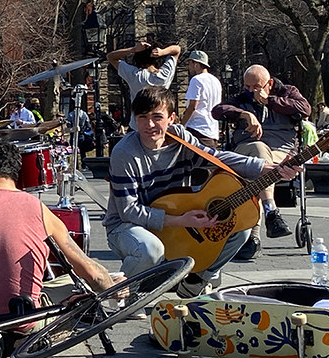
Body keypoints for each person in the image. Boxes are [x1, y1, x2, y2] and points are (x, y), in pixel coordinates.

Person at [104, 86, 300, 297]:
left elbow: (216, 158)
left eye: (157, 117)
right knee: (149, 249)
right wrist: (181, 221)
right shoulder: (124, 152)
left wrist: (264, 168)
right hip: (126, 226)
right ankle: (122, 295)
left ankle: (196, 281)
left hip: (177, 219)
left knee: (240, 229)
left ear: (171, 118)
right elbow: (129, 212)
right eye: (142, 117)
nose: (150, 124)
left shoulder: (179, 138)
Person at [0, 136, 120, 329]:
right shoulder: (39, 209)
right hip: (24, 324)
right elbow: (92, 273)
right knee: (77, 286)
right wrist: (115, 289)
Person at [212, 65, 311, 259]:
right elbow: (218, 110)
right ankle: (271, 213)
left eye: (255, 86)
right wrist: (245, 114)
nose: (251, 91)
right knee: (258, 151)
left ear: (269, 84)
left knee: (259, 162)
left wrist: (270, 101)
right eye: (247, 86)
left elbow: (305, 108)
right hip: (247, 150)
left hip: (280, 152)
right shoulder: (243, 99)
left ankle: (253, 237)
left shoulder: (287, 92)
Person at [107, 40, 181, 130]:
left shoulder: (134, 75)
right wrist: (162, 52)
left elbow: (111, 57)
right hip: (160, 126)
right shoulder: (164, 75)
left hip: (137, 127)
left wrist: (133, 49)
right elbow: (177, 49)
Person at [180, 50, 222, 148]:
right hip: (212, 131)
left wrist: (181, 125)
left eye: (190, 63)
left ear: (196, 64)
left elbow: (192, 106)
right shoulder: (216, 81)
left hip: (197, 129)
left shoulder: (196, 80)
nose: (188, 67)